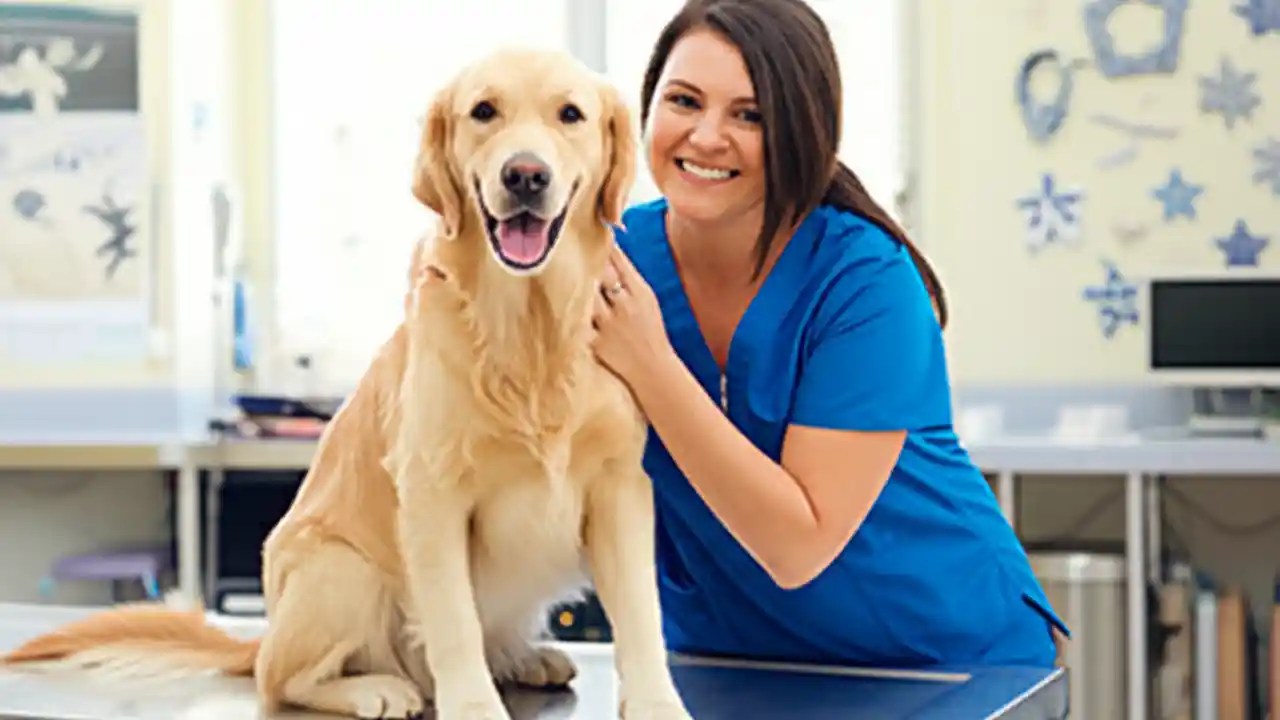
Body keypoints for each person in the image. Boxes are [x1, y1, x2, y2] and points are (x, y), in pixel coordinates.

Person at [589, 0, 1069, 669]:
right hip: (733, 663)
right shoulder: (610, 260)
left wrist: (649, 363)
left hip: (939, 661)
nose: (704, 136)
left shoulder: (865, 281)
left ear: (801, 132)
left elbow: (799, 544)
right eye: (684, 100)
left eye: (748, 114)